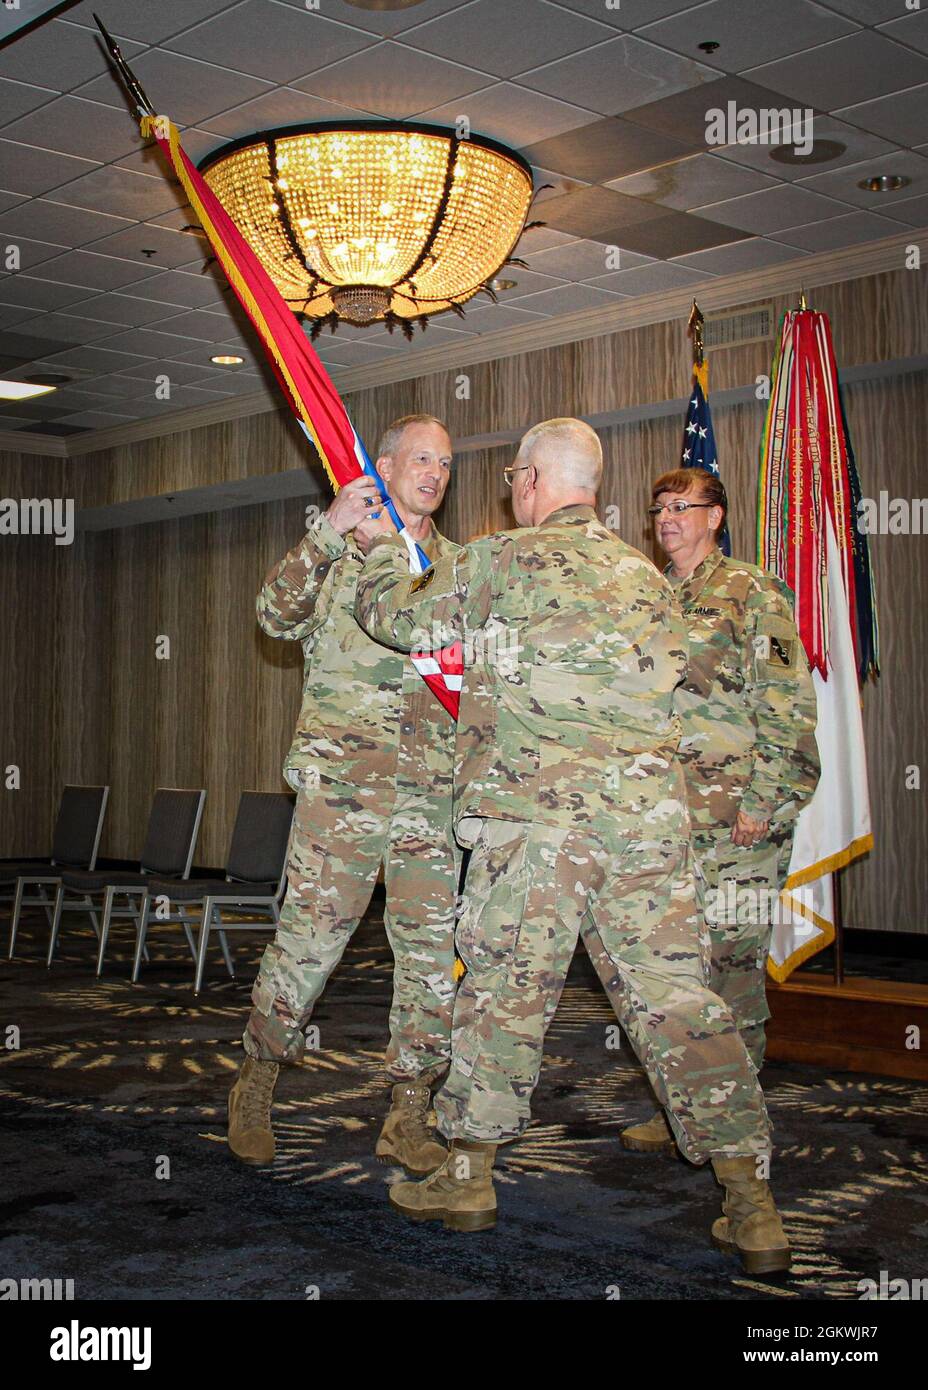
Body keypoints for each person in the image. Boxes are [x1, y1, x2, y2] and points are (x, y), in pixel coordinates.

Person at [354, 418, 791, 1274]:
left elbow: (393, 618)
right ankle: (753, 1201)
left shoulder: (499, 559)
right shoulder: (651, 581)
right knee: (678, 1000)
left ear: (528, 481)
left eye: (512, 477)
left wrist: (379, 545)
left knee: (506, 992)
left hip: (537, 827)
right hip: (647, 829)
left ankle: (470, 1174)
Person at [228, 414, 460, 1179]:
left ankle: (409, 1111)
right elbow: (272, 617)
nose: (434, 471)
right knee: (311, 940)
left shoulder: (456, 567)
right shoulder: (340, 553)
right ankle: (258, 1077)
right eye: (420, 457)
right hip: (344, 792)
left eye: (446, 462)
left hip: (431, 798)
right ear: (383, 466)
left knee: (429, 959)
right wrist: (328, 532)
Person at [621, 469, 820, 1160]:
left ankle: (738, 1128)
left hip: (736, 822)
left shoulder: (751, 591)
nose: (668, 519)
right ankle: (686, 1106)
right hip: (666, 823)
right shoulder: (652, 595)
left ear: (717, 516)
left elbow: (786, 706)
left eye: (684, 507)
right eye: (660, 509)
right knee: (675, 976)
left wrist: (763, 803)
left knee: (731, 973)